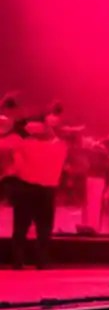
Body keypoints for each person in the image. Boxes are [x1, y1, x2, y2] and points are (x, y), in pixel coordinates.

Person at [9, 111, 70, 269]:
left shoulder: (22, 145)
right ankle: (42, 261)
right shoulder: (60, 147)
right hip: (46, 191)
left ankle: (18, 261)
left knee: (20, 228)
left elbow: (15, 166)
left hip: (26, 188)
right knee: (43, 229)